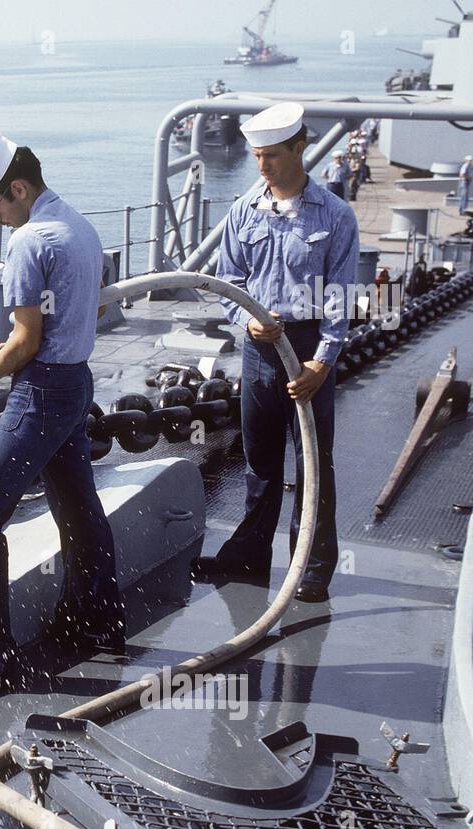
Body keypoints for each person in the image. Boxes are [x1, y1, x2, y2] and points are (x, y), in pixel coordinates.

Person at [0, 134, 124, 672]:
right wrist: (6, 358)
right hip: (75, 382)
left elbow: (25, 341)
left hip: (42, 390)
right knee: (77, 506)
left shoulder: (30, 242)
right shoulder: (81, 225)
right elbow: (81, 315)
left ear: (18, 189)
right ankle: (98, 622)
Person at [193, 102, 359, 605]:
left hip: (307, 350)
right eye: (257, 156)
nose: (262, 166)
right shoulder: (244, 210)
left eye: (271, 156)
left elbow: (341, 295)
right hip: (259, 352)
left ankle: (312, 566)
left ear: (299, 148)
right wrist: (244, 319)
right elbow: (229, 283)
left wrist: (321, 362)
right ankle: (249, 554)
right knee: (260, 463)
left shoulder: (334, 215)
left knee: (312, 463)